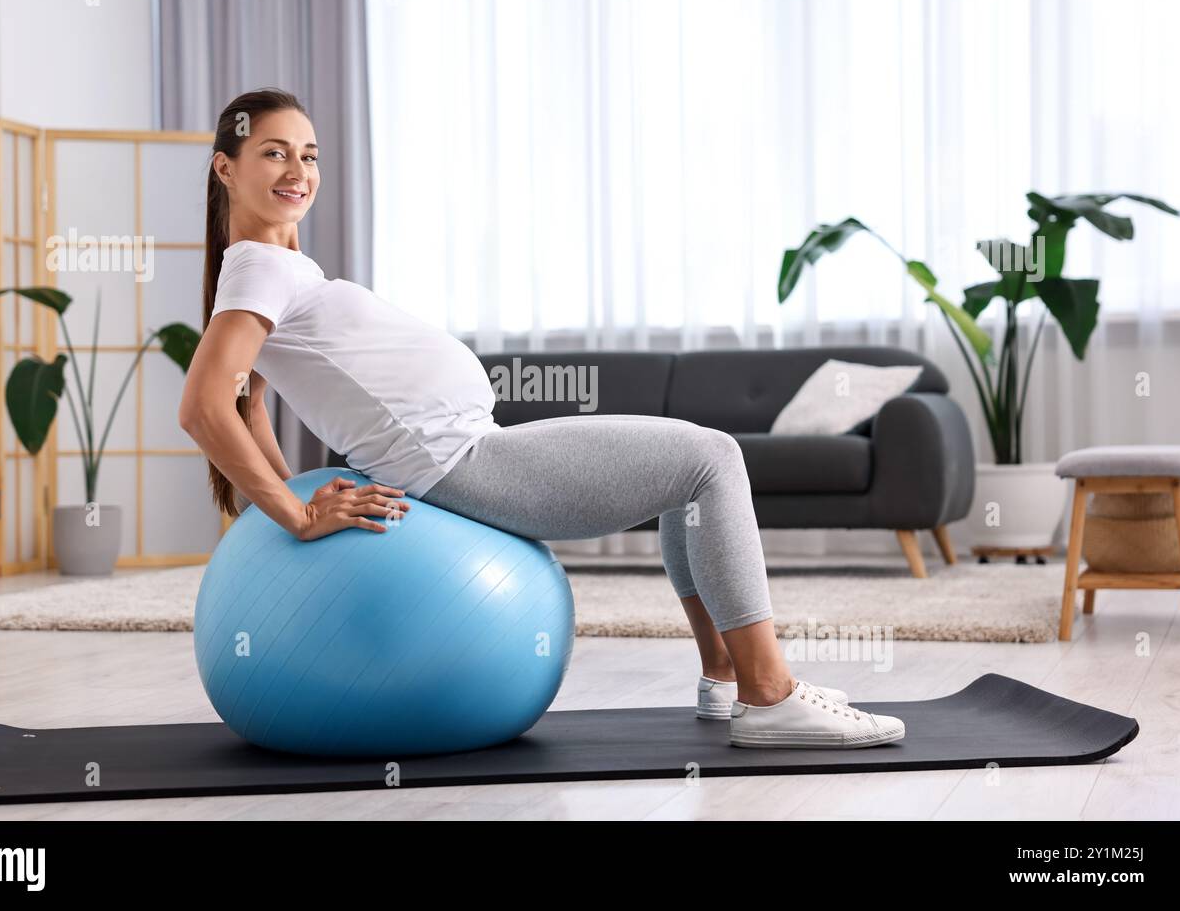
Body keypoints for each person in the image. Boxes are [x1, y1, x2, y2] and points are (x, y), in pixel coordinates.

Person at [178, 88, 904, 750]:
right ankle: (769, 692)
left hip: (467, 451)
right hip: (459, 463)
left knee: (690, 481)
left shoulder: (274, 268)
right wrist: (295, 516)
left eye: (308, 154)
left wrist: (284, 493)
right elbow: (204, 407)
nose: (297, 170)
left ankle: (726, 678)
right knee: (710, 459)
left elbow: (247, 401)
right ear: (225, 168)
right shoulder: (260, 268)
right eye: (273, 152)